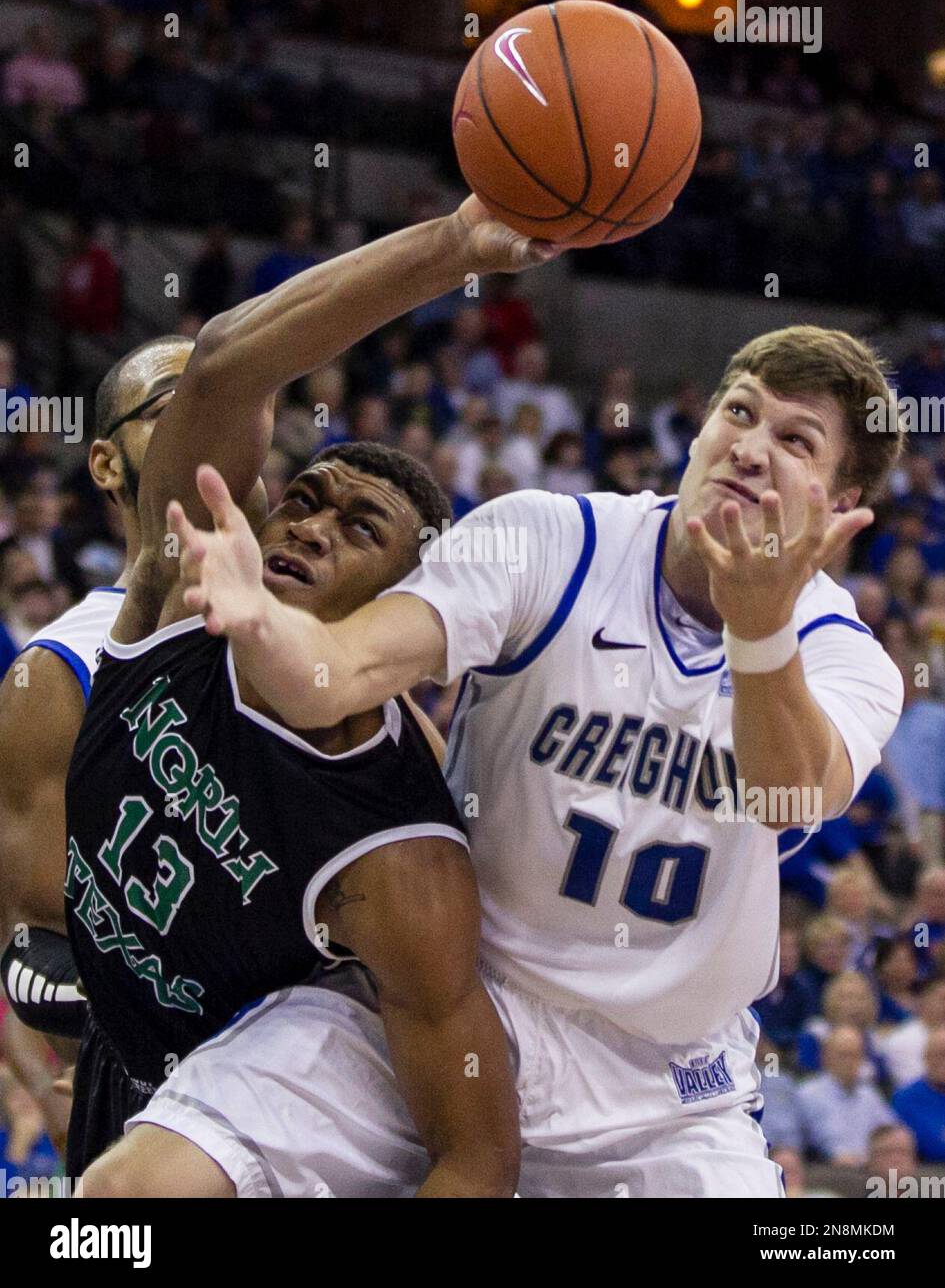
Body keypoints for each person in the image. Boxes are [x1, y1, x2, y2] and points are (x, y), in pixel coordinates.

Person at [132, 321, 903, 1197]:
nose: (751, 447)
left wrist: (759, 632)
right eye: (739, 412)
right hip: (441, 1004)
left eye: (794, 439)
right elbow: (337, 674)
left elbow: (785, 792)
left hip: (660, 1094)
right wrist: (264, 624)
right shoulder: (547, 540)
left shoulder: (848, 658)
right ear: (695, 434)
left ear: (839, 508)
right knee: (133, 1197)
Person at [73, 196, 557, 1197]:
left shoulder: (401, 857)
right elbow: (224, 362)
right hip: (106, 1051)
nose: (309, 524)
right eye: (304, 496)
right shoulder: (180, 585)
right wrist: (457, 245)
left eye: (360, 526)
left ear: (405, 604)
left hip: (246, 1116)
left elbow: (476, 1155)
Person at [0, 336, 193, 1148]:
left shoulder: (345, 642)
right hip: (174, 1114)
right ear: (108, 465)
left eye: (239, 395)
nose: (212, 417)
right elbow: (32, 950)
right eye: (174, 406)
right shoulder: (60, 670)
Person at [797, 1027, 895, 1164]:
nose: (850, 1062)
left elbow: (890, 1131)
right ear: (825, 1057)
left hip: (870, 1170)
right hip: (828, 1170)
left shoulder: (869, 1094)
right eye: (843, 1055)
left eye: (855, 1055)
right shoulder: (807, 1094)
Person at [891, 1028, 945, 1161]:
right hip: (926, 1176)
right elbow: (932, 1146)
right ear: (926, 1057)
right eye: (939, 1054)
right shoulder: (905, 1099)